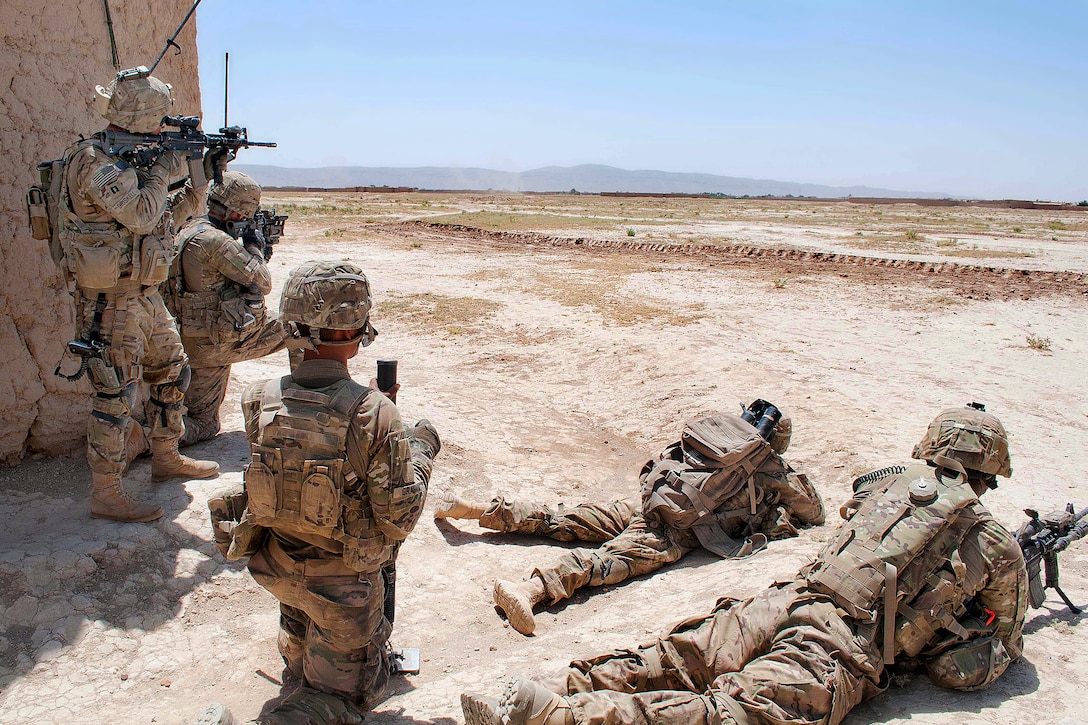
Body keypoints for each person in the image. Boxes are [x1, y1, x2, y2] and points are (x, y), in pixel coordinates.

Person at [461, 404, 1027, 725]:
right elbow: (968, 667)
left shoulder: (884, 484)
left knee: (675, 656)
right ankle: (563, 719)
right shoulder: (994, 541)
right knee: (733, 713)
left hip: (787, 598)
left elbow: (851, 523)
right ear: (990, 472)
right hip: (841, 642)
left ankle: (551, 688)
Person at [205, 261, 440, 724]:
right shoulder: (374, 414)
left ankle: (299, 658)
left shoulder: (257, 398)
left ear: (291, 327)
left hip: (277, 570)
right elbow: (399, 517)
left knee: (300, 642)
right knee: (337, 705)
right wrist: (418, 444)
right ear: (357, 333)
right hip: (343, 595)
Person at [436, 401, 825, 635]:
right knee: (608, 561)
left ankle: (479, 510)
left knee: (570, 517)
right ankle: (531, 589)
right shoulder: (769, 468)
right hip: (681, 530)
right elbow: (815, 512)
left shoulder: (722, 441)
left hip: (651, 500)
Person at [56, 67, 221, 522]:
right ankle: (107, 493)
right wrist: (167, 167)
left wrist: (199, 179)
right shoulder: (95, 161)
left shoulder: (131, 163)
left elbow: (166, 216)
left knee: (172, 372)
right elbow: (143, 213)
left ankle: (166, 457)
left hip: (144, 293)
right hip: (109, 301)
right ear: (146, 120)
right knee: (116, 394)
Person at [167, 170, 287, 446]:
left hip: (188, 341)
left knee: (201, 421)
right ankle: (309, 405)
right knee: (300, 323)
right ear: (237, 213)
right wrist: (255, 247)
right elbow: (263, 281)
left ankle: (149, 437)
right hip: (216, 345)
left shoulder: (188, 228)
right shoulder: (216, 242)